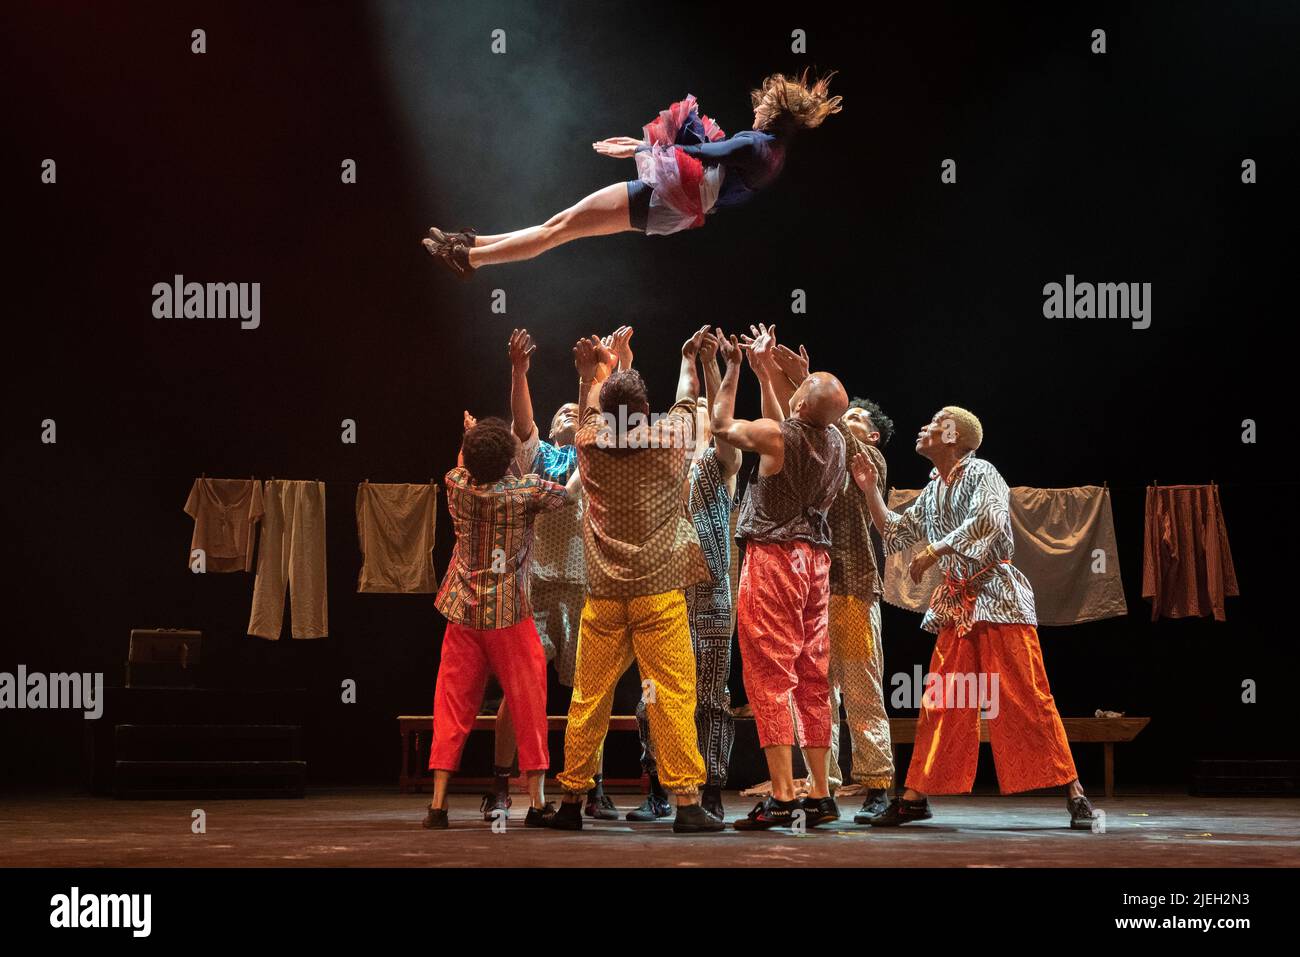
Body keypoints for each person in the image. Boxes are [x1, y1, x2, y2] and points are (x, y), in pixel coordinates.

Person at [850, 406, 1099, 829]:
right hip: (959, 607)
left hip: (999, 602)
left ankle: (1074, 791)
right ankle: (915, 796)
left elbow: (989, 519)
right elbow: (895, 534)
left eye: (935, 421)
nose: (925, 426)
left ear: (953, 435)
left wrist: (934, 551)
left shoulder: (982, 472)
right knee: (943, 700)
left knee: (1025, 696)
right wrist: (870, 489)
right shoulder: (933, 489)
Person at [545, 328, 724, 834]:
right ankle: (687, 803)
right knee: (669, 694)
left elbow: (589, 413)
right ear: (647, 408)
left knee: (588, 697)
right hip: (658, 591)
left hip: (603, 595)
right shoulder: (670, 439)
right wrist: (688, 356)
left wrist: (593, 374)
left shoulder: (589, 443)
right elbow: (688, 397)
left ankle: (570, 803)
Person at [422, 70, 842, 277]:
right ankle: (471, 243)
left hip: (667, 198)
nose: (756, 107)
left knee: (560, 229)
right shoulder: (775, 155)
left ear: (775, 111)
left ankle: (469, 259)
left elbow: (702, 150)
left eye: (763, 103)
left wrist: (641, 147)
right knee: (558, 225)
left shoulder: (756, 145)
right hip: (677, 205)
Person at [746, 328, 897, 822]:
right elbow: (803, 424)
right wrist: (793, 381)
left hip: (850, 584)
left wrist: (799, 378)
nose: (844, 424)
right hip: (809, 579)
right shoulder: (818, 443)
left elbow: (826, 420)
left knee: (860, 686)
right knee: (814, 688)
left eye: (855, 419)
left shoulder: (863, 455)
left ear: (870, 434)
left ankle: (876, 781)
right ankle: (820, 786)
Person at [479, 329, 622, 822]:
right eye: (558, 412)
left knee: (591, 691)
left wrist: (597, 379)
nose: (567, 416)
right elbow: (522, 421)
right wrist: (519, 372)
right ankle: (500, 783)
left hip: (585, 588)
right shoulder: (535, 458)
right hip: (535, 588)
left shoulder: (595, 454)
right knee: (521, 687)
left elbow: (601, 422)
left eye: (573, 413)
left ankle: (591, 784)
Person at [709, 328, 849, 831]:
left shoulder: (780, 436)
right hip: (815, 562)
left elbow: (723, 427)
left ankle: (783, 797)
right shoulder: (837, 440)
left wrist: (734, 369)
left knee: (770, 674)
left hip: (774, 559)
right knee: (812, 674)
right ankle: (819, 792)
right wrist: (773, 370)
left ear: (803, 403)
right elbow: (787, 419)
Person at [422, 417, 569, 829]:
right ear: (509, 461)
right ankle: (538, 801)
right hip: (508, 615)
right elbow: (569, 496)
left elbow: (462, 462)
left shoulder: (456, 484)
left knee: (451, 703)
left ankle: (438, 804)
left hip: (463, 612)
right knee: (528, 700)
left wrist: (468, 436)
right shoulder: (526, 492)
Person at [629, 330, 741, 823]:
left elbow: (725, 426)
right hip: (665, 592)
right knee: (652, 694)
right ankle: (658, 785)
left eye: (700, 417)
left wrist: (712, 367)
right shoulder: (660, 461)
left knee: (712, 696)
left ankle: (712, 787)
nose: (695, 422)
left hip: (712, 596)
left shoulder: (720, 464)